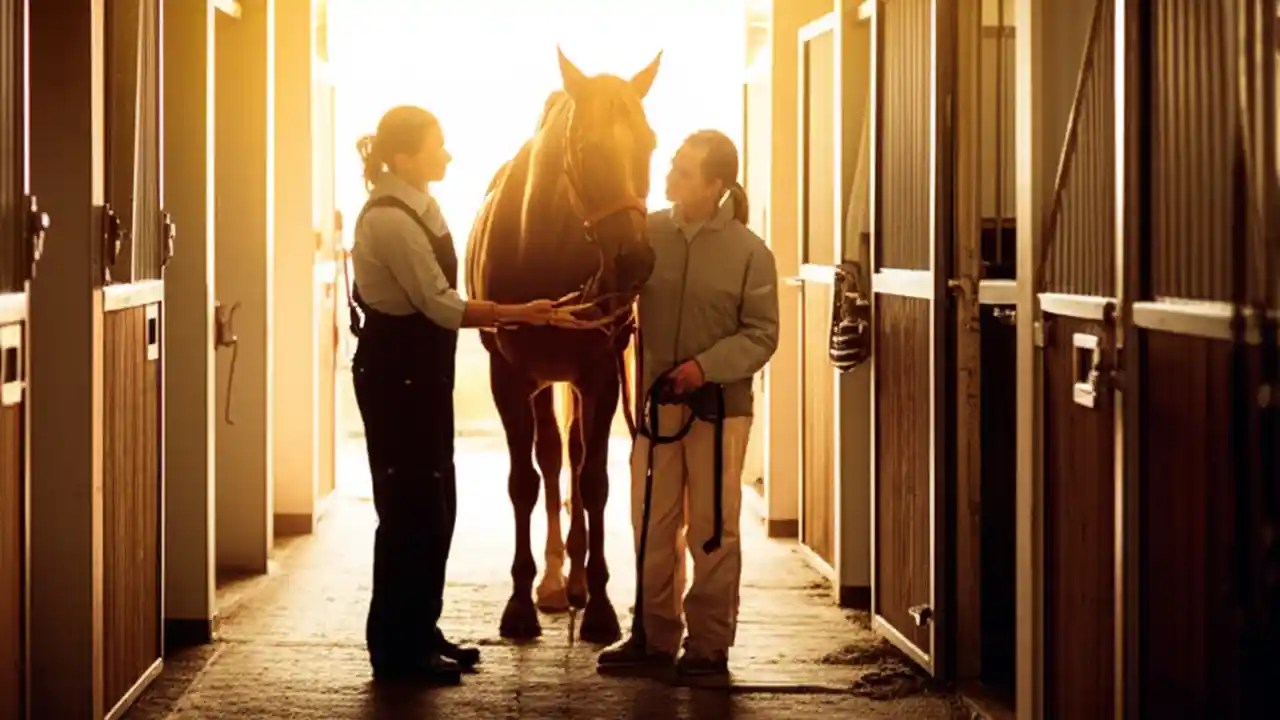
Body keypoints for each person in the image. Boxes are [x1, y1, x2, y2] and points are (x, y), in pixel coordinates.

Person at [350, 105, 570, 684]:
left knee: (437, 506)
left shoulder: (423, 206)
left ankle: (422, 630)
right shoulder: (390, 220)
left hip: (423, 376)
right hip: (396, 374)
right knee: (406, 512)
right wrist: (517, 313)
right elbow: (439, 303)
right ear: (403, 156)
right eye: (436, 145)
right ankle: (396, 652)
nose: (447, 155)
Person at [597, 130, 780, 677]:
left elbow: (762, 334)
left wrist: (704, 368)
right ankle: (651, 636)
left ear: (716, 184)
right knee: (652, 520)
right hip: (658, 408)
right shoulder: (648, 234)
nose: (670, 177)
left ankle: (706, 646)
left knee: (712, 526)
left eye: (683, 170)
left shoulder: (751, 253)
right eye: (673, 166)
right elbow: (611, 292)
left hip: (718, 409)